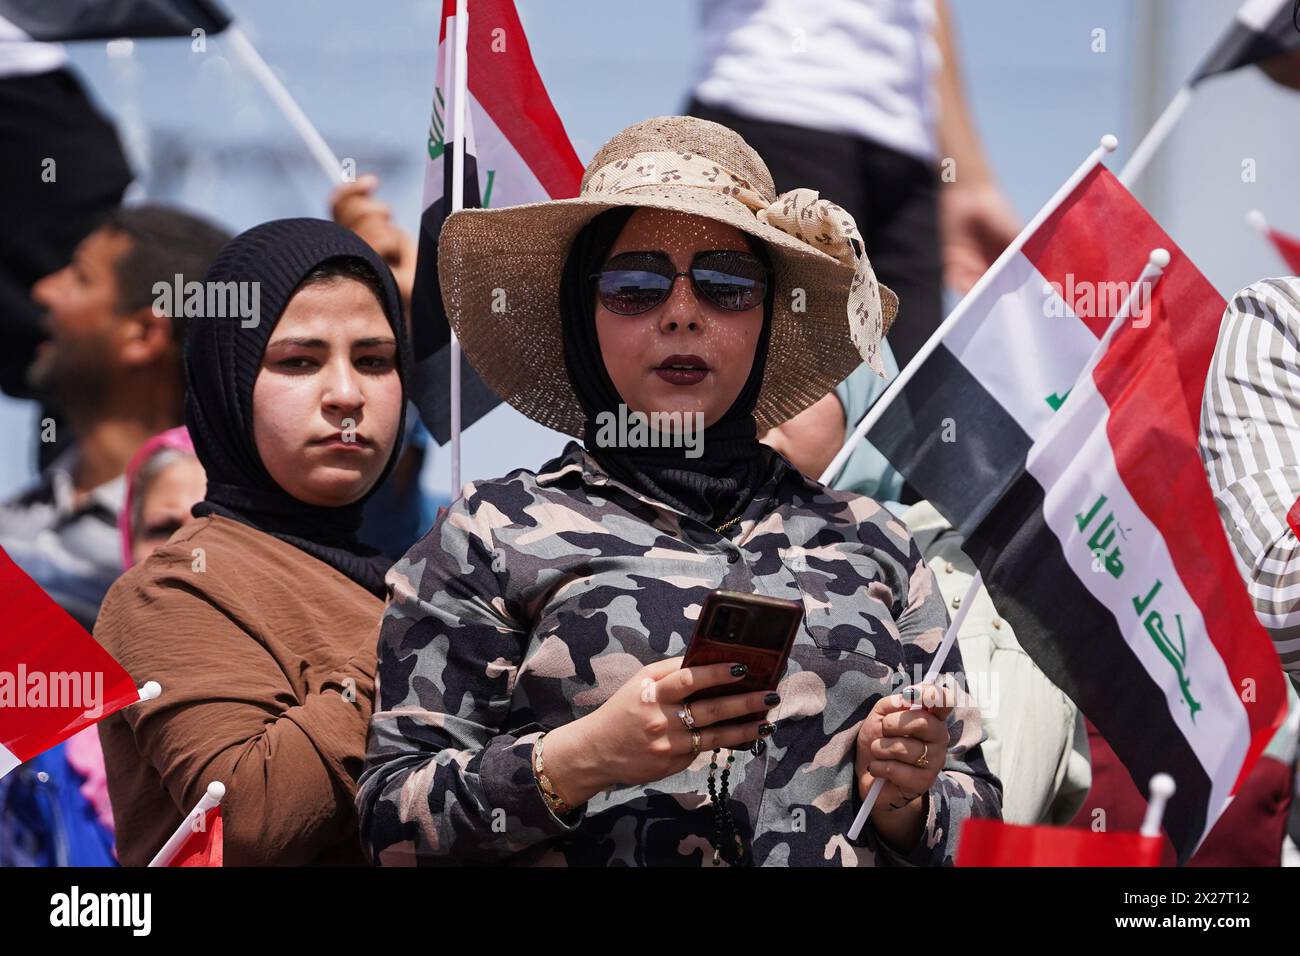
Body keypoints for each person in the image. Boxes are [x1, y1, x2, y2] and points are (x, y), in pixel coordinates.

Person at [357, 115, 1001, 867]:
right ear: (581, 313)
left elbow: (983, 822)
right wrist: (581, 759)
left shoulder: (876, 543)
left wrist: (906, 799)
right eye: (636, 287)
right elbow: (388, 828)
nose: (683, 312)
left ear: (767, 318)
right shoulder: (490, 535)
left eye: (727, 285)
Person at [93, 219, 413, 866]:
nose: (347, 395)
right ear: (227, 380)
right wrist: (423, 628)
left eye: (375, 361)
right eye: (299, 361)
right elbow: (244, 815)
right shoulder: (174, 590)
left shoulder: (405, 578)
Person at [686, 0, 1019, 368]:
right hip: (770, 103)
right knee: (788, 401)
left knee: (907, 407)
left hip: (905, 151)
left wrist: (967, 181)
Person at [0, 205, 229, 631]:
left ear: (144, 335)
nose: (44, 290)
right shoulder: (18, 515)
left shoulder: (189, 545)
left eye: (80, 276)